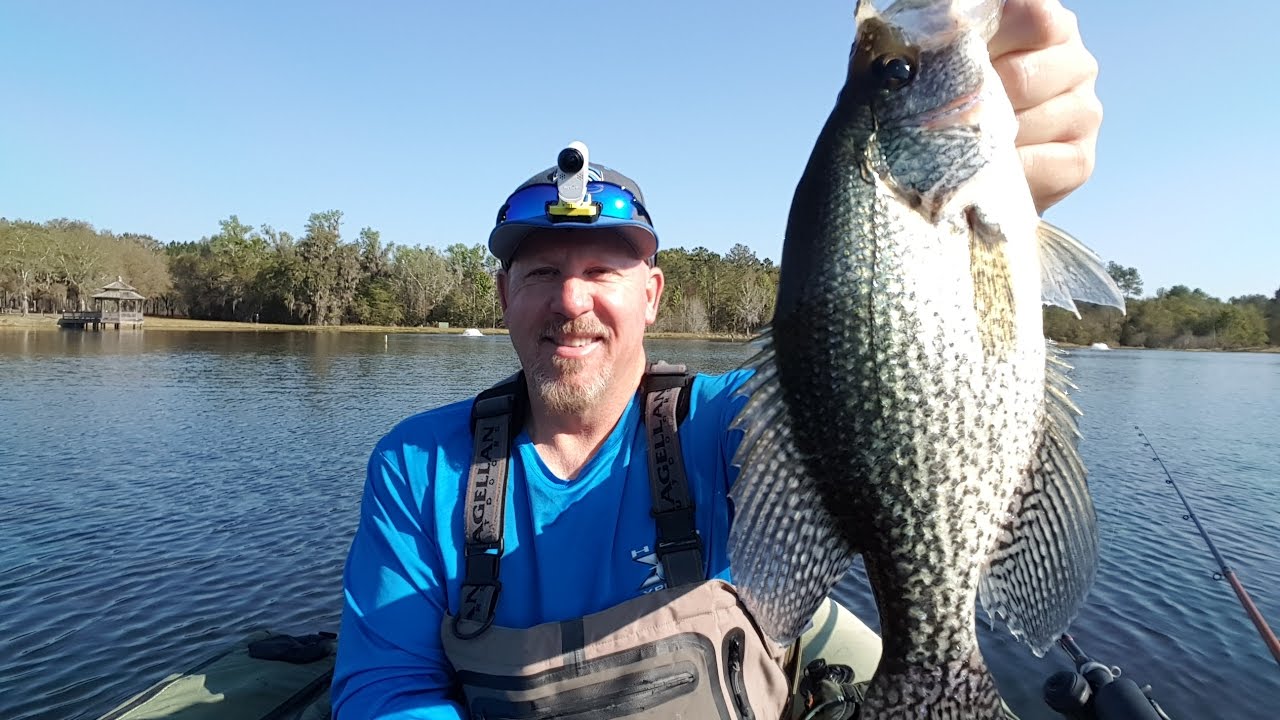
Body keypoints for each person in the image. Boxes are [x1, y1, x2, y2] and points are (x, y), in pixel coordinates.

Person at [331, 2, 1105, 717]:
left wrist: (1013, 186)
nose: (571, 300)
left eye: (602, 272)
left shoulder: (733, 428)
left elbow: (860, 393)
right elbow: (385, 687)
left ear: (653, 297)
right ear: (503, 298)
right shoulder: (418, 465)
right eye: (541, 273)